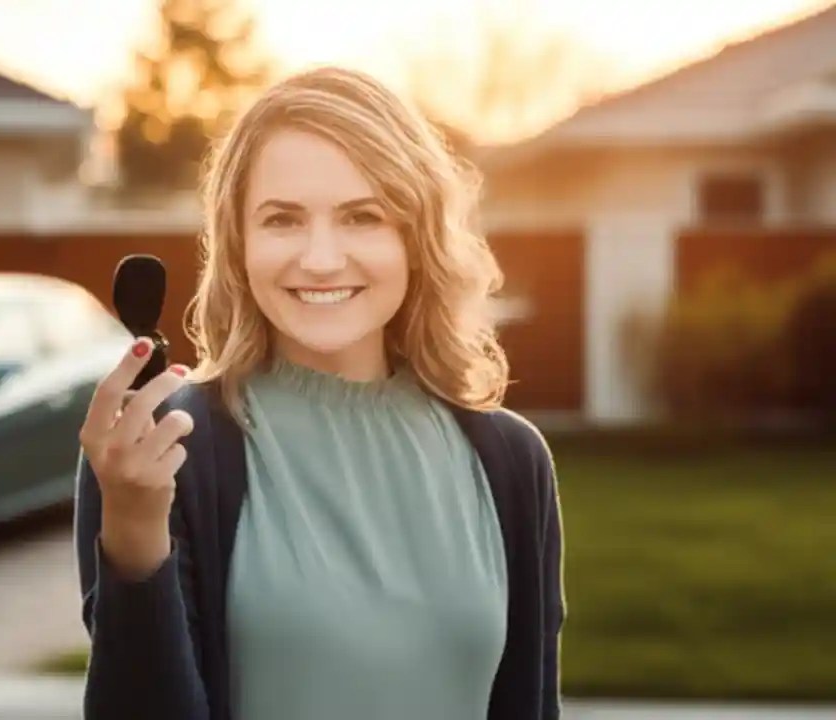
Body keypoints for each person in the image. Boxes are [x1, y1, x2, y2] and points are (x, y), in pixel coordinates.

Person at [74, 66, 565, 720]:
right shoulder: (167, 446)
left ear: (414, 237)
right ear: (239, 243)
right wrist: (134, 534)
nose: (322, 258)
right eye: (283, 220)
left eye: (363, 217)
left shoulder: (509, 460)